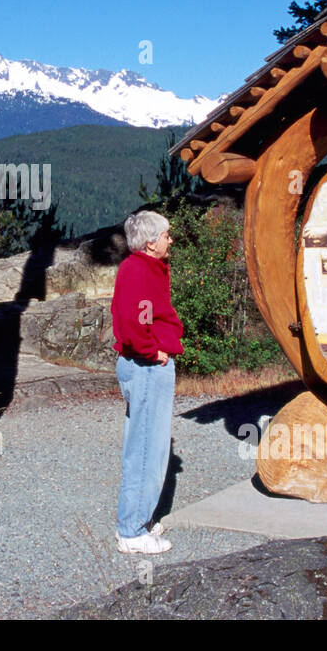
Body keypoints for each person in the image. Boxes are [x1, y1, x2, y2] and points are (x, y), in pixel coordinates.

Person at [110, 210, 184, 554]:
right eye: (166, 234)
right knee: (145, 449)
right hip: (147, 366)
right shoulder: (140, 270)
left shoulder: (140, 267)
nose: (171, 239)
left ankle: (137, 519)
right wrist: (152, 351)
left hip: (142, 363)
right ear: (151, 241)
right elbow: (137, 317)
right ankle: (132, 530)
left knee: (144, 445)